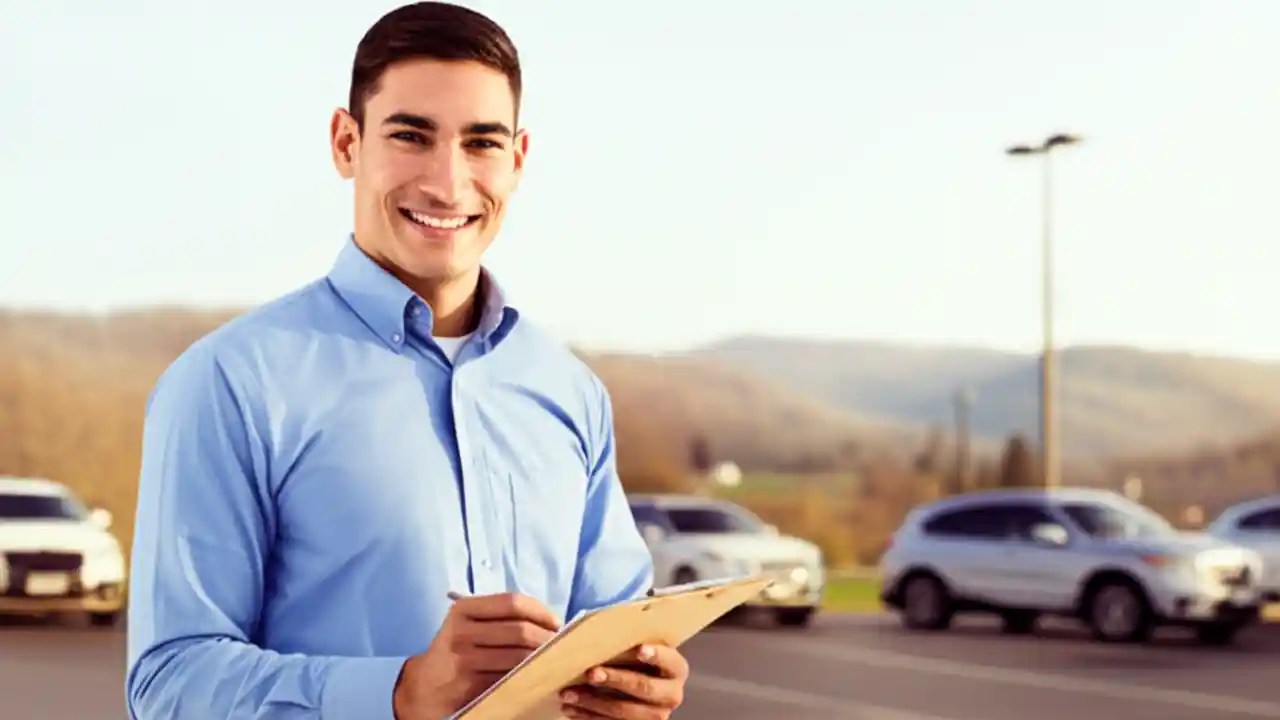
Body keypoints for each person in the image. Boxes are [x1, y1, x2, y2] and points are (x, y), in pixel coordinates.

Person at [124, 3, 690, 719]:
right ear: (345, 142)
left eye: (481, 144)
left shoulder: (570, 392)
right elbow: (168, 684)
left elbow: (615, 624)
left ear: (517, 160)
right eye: (411, 136)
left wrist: (638, 684)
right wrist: (398, 693)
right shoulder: (228, 384)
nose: (447, 184)